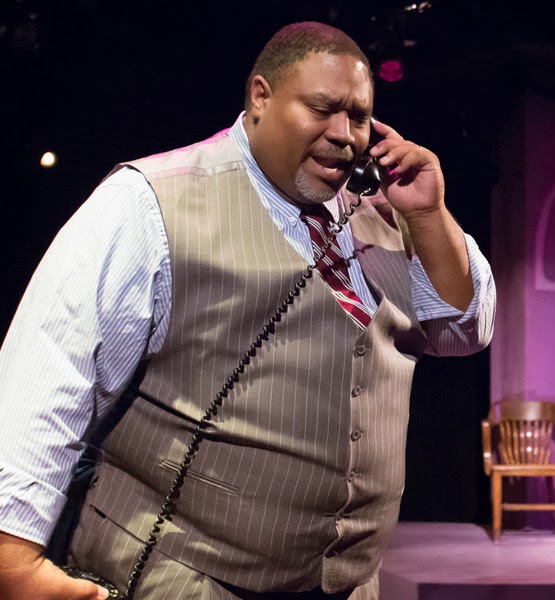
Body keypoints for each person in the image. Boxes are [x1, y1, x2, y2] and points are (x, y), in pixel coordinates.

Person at [0, 21, 495, 600]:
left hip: (349, 586)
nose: (346, 135)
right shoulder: (149, 201)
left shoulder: (386, 214)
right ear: (261, 97)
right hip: (181, 577)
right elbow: (50, 376)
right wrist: (12, 558)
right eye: (322, 108)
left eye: (359, 116)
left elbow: (464, 332)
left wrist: (430, 216)